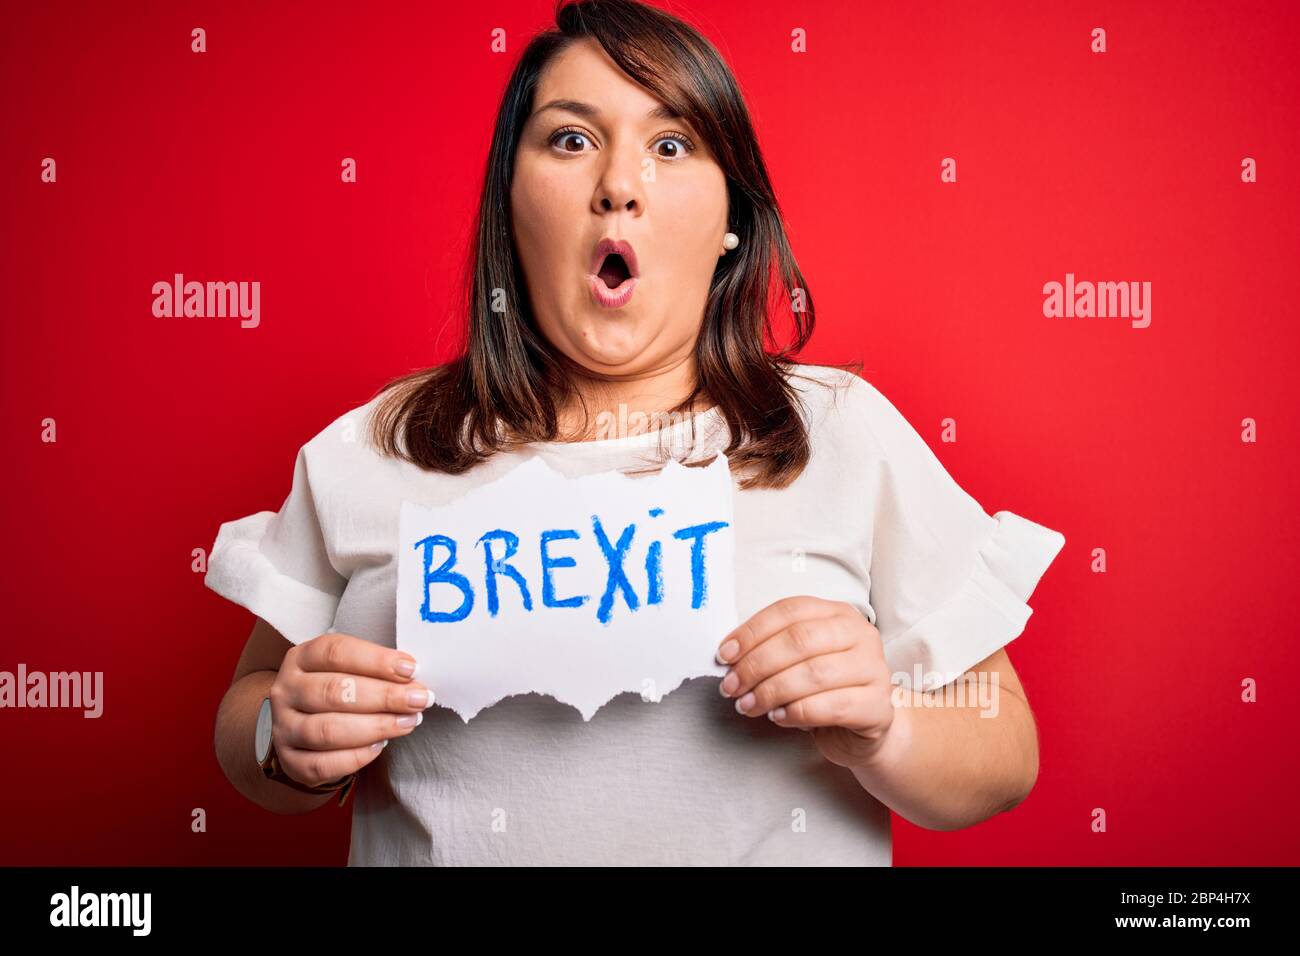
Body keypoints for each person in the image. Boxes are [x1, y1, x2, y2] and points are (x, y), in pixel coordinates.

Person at [208, 0, 1065, 865]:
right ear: (510, 205)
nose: (618, 182)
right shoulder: (370, 448)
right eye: (571, 140)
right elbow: (249, 708)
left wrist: (888, 725)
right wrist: (283, 735)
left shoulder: (840, 432)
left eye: (670, 145)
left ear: (731, 218)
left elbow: (1006, 754)